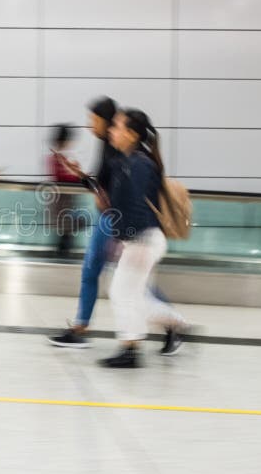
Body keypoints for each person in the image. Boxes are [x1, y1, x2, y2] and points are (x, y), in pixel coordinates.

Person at [47, 97, 174, 351]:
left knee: (123, 283)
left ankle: (165, 329)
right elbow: (103, 186)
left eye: (93, 120)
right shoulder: (109, 146)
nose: (89, 126)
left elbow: (120, 194)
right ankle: (163, 330)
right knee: (119, 280)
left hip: (118, 222)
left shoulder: (125, 153)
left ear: (108, 123)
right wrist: (82, 176)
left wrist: (124, 232)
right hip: (114, 221)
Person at [98, 109, 187, 368]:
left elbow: (136, 206)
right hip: (140, 239)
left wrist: (127, 239)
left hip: (143, 239)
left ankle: (131, 349)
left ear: (132, 134)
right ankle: (174, 324)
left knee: (122, 292)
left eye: (116, 126)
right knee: (133, 295)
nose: (111, 130)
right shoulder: (127, 161)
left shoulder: (139, 164)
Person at [48, 124, 81, 256]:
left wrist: (75, 171)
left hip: (65, 201)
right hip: (62, 200)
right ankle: (63, 257)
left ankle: (63, 254)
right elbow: (61, 176)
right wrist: (77, 175)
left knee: (66, 233)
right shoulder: (57, 157)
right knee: (65, 233)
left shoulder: (61, 157)